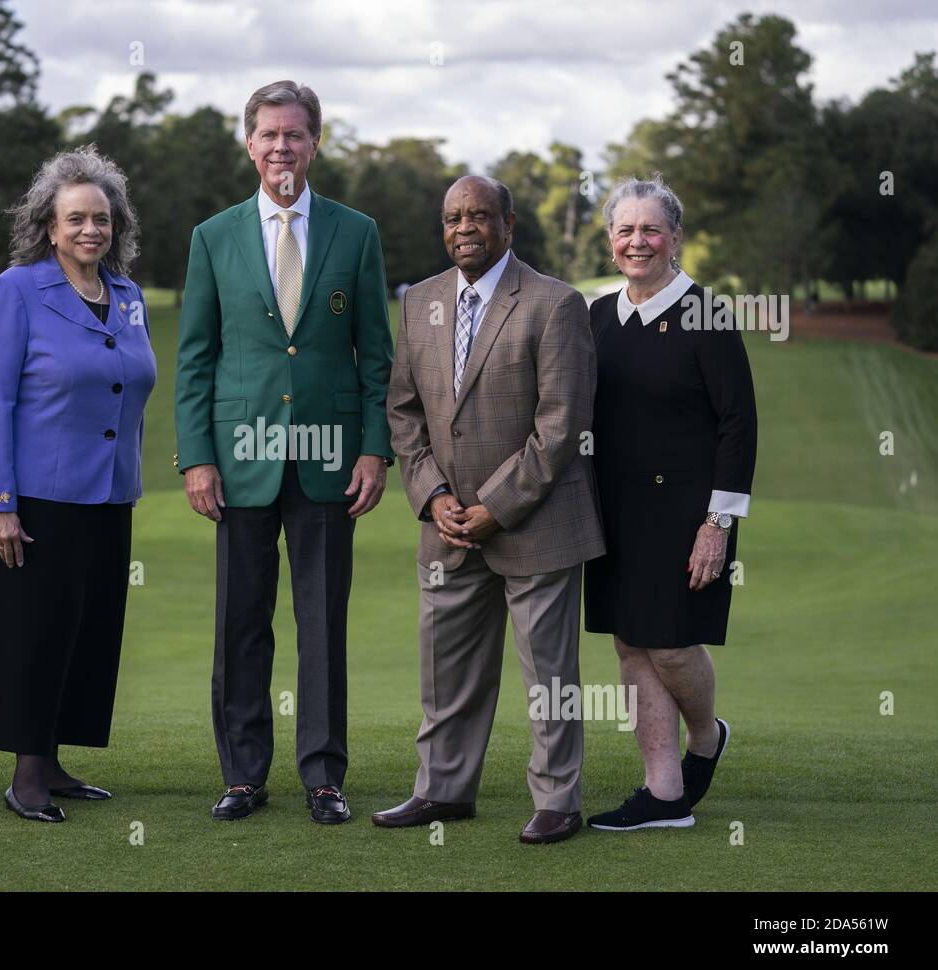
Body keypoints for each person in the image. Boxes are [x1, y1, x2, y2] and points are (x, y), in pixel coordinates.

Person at [174, 80, 394, 824]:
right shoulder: (214, 237)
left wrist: (374, 451)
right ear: (249, 144)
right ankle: (243, 775)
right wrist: (196, 456)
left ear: (315, 142)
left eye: (294, 134)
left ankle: (324, 778)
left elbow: (377, 356)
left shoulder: (356, 232)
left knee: (322, 623)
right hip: (240, 459)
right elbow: (195, 358)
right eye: (268, 134)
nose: (281, 147)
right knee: (240, 622)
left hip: (331, 461)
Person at [0, 147, 156, 824]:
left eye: (102, 218)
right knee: (32, 631)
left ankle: (53, 762)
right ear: (49, 227)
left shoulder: (129, 297)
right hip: (33, 502)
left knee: (84, 631)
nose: (92, 229)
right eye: (76, 219)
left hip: (109, 496)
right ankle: (25, 774)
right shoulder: (15, 292)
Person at [377, 175, 604, 844]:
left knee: (549, 677)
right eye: (452, 217)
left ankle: (559, 801)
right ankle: (443, 790)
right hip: (447, 528)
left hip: (534, 522)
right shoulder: (419, 302)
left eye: (479, 215)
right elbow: (402, 410)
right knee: (445, 672)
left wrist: (495, 506)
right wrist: (433, 496)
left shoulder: (554, 303)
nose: (464, 228)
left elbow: (563, 424)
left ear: (509, 224)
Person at [584, 174, 757, 831]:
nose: (638, 241)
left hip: (690, 515)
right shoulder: (598, 316)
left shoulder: (707, 316)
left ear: (675, 238)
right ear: (610, 242)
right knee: (631, 645)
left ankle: (706, 736)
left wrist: (718, 524)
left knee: (673, 646)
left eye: (651, 229)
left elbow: (739, 424)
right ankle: (664, 795)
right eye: (625, 230)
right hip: (613, 513)